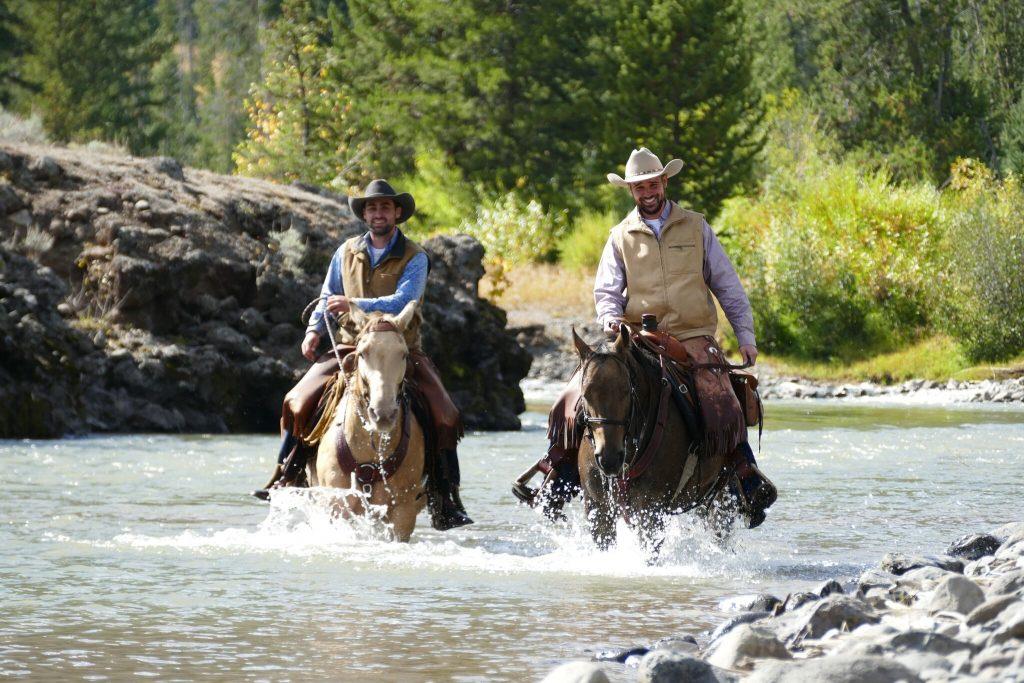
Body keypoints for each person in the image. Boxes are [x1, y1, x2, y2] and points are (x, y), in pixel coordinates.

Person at [515, 147, 776, 527]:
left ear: (664, 182)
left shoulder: (696, 226)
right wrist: (610, 319)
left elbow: (727, 286)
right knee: (577, 393)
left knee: (720, 401)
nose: (647, 192)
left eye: (652, 184)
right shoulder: (619, 236)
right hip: (635, 336)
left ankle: (744, 477)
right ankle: (562, 474)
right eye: (639, 187)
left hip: (692, 335)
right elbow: (606, 291)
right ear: (631, 191)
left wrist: (746, 335)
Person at [253, 179, 472, 531]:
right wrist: (313, 331)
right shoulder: (345, 252)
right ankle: (285, 474)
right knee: (297, 399)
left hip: (400, 347)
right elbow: (328, 297)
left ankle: (447, 496)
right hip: (351, 346)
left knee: (445, 414)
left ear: (397, 213)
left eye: (385, 207)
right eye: (372, 208)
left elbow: (405, 300)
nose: (378, 213)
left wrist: (356, 304)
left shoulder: (416, 257)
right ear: (364, 214)